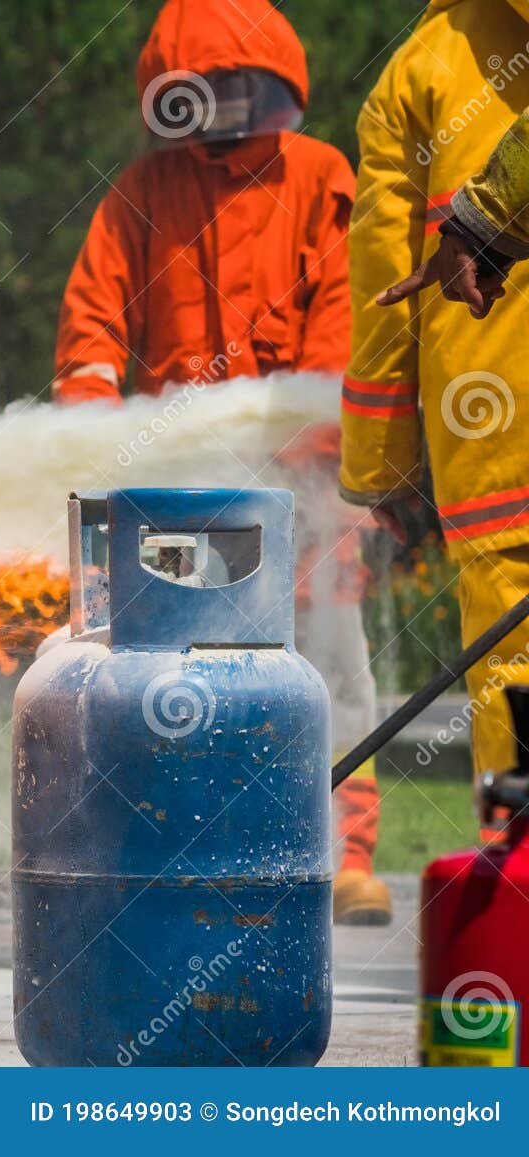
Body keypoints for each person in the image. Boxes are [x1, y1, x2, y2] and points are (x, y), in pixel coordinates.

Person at [53, 0, 389, 922]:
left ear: (280, 86)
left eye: (241, 89)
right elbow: (91, 331)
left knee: (327, 663)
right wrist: (89, 447)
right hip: (172, 499)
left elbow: (338, 340)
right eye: (203, 92)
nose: (227, 110)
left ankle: (341, 855)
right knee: (174, 681)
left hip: (305, 493)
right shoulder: (140, 193)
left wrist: (303, 457)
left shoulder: (322, 177)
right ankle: (181, 857)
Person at [342, 0, 529, 840]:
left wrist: (380, 466)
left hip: (494, 445)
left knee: (513, 659)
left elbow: (385, 287)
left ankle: (517, 910)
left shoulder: (418, 73)